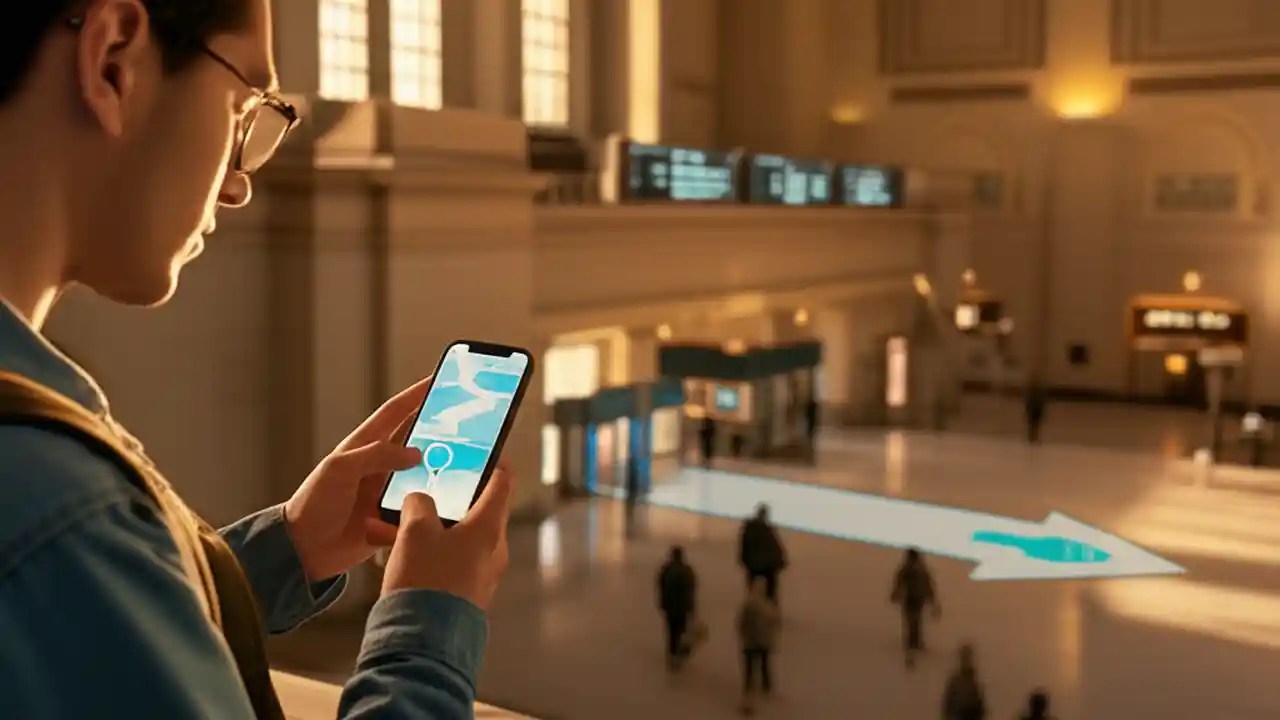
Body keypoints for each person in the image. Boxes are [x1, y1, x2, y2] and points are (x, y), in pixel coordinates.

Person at [0, 2, 513, 717]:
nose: (239, 183)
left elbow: (82, 640)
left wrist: (285, 552)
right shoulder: (62, 513)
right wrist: (431, 621)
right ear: (113, 60)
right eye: (244, 107)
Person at [890, 547, 941, 669]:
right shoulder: (919, 569)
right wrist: (932, 598)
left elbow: (900, 582)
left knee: (912, 620)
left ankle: (913, 642)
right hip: (916, 597)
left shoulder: (909, 569)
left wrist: (896, 593)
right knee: (914, 620)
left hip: (913, 597)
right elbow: (928, 585)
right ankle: (914, 642)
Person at [737, 576, 780, 715]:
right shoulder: (769, 605)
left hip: (750, 641)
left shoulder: (749, 605)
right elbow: (775, 622)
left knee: (750, 667)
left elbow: (742, 623)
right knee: (764, 664)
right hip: (764, 641)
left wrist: (743, 635)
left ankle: (748, 690)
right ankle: (766, 686)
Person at [656, 545, 697, 670]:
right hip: (683, 607)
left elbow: (660, 586)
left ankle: (672, 654)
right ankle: (679, 655)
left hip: (670, 607)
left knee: (671, 632)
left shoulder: (666, 570)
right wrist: (692, 607)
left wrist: (662, 603)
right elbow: (692, 589)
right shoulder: (687, 570)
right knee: (681, 630)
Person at [739, 503, 787, 605]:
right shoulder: (766, 529)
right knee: (771, 589)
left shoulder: (749, 528)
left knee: (752, 586)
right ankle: (771, 604)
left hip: (753, 565)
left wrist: (743, 560)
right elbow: (774, 547)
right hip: (767, 566)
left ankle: (753, 602)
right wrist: (781, 561)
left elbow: (745, 547)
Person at [942, 644, 987, 720]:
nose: (966, 660)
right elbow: (948, 703)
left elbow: (979, 703)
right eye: (964, 657)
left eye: (968, 657)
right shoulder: (956, 681)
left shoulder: (973, 681)